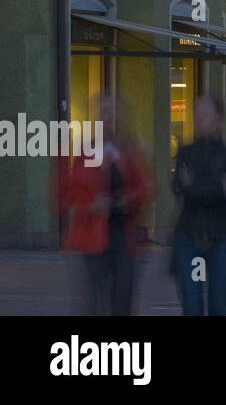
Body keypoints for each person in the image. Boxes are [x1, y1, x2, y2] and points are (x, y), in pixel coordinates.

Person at [57, 96, 155, 315]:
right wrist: (91, 204)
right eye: (104, 113)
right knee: (93, 299)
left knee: (123, 298)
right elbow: (73, 192)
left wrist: (129, 199)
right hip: (94, 234)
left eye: (112, 113)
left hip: (123, 232)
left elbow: (145, 187)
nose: (108, 118)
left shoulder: (129, 151)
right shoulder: (87, 152)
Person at [172, 93, 226, 315]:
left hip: (221, 238)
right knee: (192, 305)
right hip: (189, 239)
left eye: (206, 114)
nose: (200, 119)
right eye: (197, 114)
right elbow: (177, 188)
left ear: (219, 118)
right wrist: (217, 186)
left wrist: (194, 185)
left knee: (219, 305)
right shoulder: (186, 152)